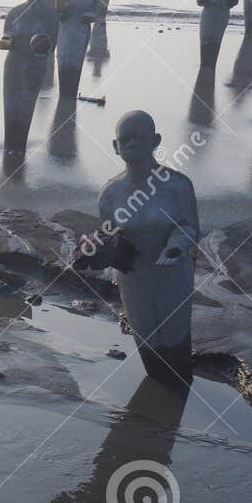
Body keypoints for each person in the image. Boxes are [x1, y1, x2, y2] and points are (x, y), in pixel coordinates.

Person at [97, 110, 199, 382]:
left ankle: (181, 384)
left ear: (155, 141)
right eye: (125, 139)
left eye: (139, 138)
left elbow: (190, 226)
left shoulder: (178, 185)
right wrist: (97, 251)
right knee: (146, 335)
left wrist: (177, 245)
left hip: (172, 273)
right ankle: (160, 396)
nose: (132, 144)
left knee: (175, 335)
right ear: (115, 146)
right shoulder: (110, 194)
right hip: (133, 277)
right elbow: (107, 236)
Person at [0, 0, 58, 152]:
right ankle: (9, 146)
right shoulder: (15, 13)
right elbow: (6, 38)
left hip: (35, 66)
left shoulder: (51, 16)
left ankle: (19, 147)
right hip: (13, 64)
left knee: (26, 106)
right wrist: (5, 42)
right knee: (10, 106)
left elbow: (52, 46)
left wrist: (42, 44)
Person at [56, 0, 105, 99]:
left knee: (76, 62)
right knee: (63, 60)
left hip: (81, 32)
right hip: (65, 31)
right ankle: (63, 95)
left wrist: (90, 16)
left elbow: (100, 13)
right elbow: (56, 15)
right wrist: (62, 12)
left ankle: (71, 93)